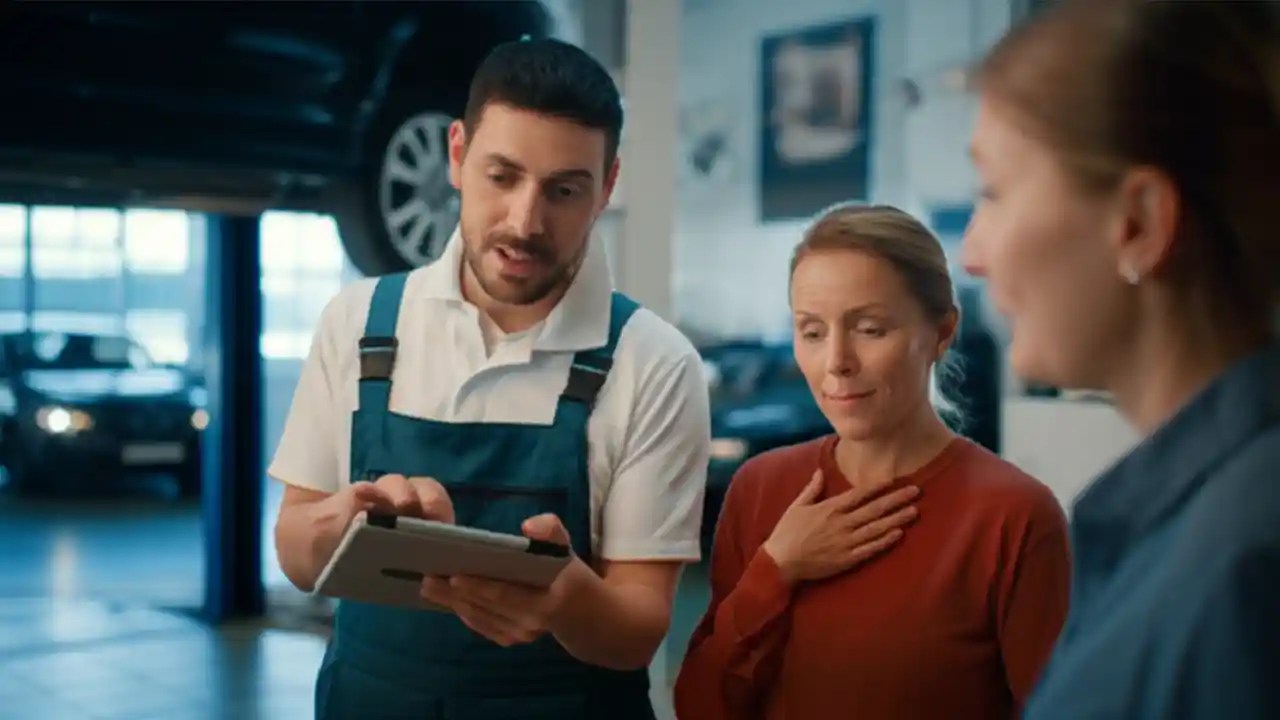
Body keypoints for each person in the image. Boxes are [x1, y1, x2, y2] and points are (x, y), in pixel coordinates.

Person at [268, 38, 711, 720]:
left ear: (608, 187)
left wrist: (566, 596)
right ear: (455, 154)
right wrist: (339, 521)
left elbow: (637, 630)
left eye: (564, 190)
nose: (525, 222)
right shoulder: (358, 323)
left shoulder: (654, 362)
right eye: (502, 176)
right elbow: (297, 554)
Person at [962, 1, 1280, 717]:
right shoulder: (1194, 526)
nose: (973, 254)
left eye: (994, 191)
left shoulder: (1241, 570)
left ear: (1138, 223)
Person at [674, 204, 1071, 719]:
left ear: (942, 332)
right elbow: (700, 707)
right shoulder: (760, 489)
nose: (837, 361)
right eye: (812, 332)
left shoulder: (1014, 517)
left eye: (870, 328)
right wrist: (776, 571)